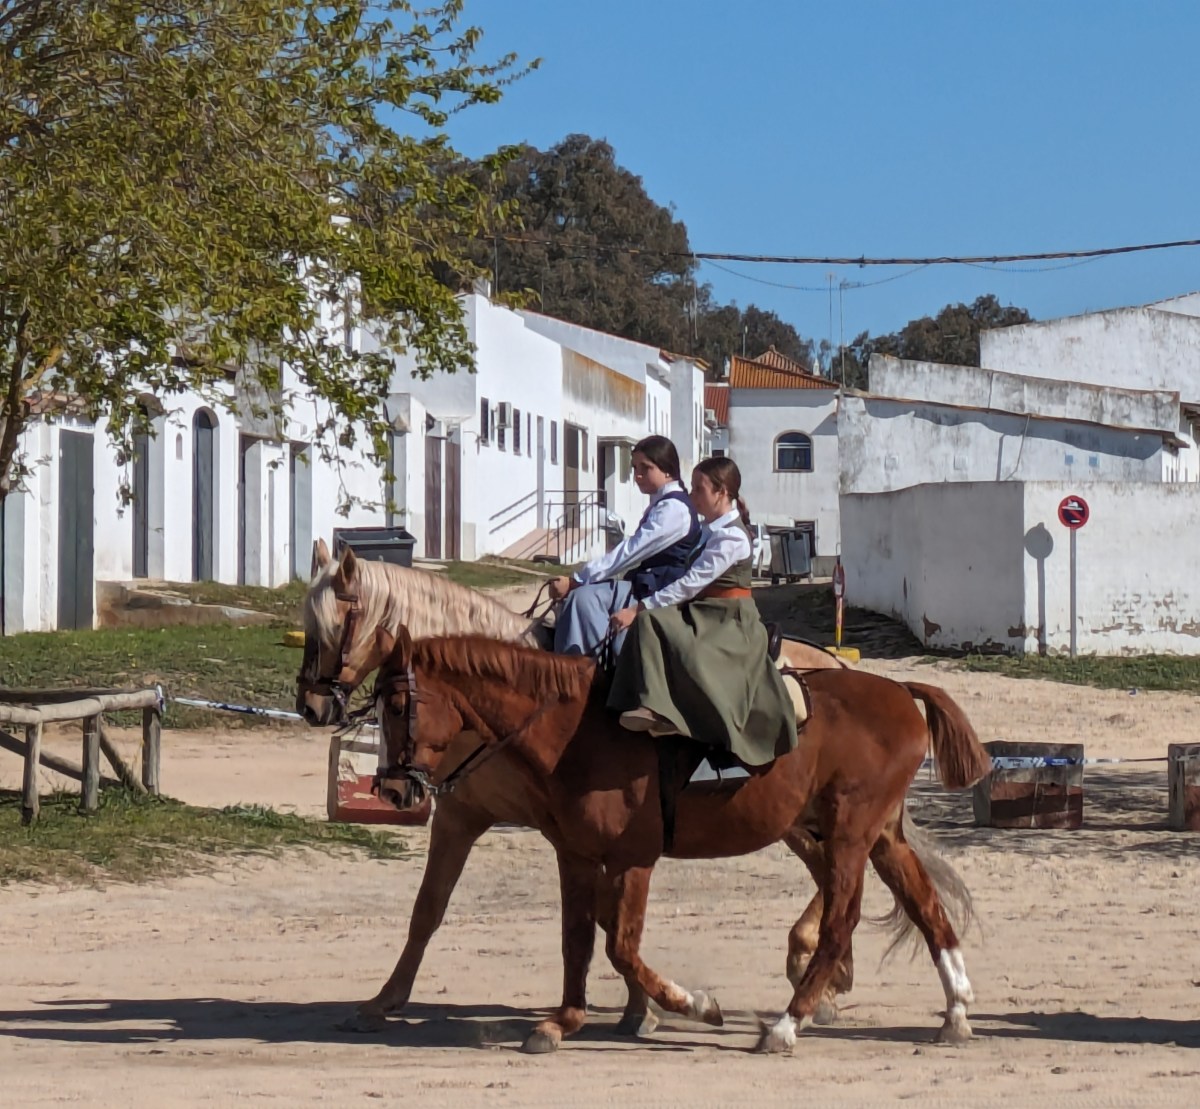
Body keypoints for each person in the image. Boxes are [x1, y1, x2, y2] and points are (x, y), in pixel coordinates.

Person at [605, 457, 796, 767]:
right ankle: (647, 703)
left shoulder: (731, 537)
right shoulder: (711, 530)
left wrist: (637, 608)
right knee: (655, 624)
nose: (692, 496)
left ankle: (663, 711)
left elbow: (690, 584)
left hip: (729, 620)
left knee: (652, 623)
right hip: (706, 611)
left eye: (698, 489)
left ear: (721, 492)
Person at [548, 435, 702, 656]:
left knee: (583, 598)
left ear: (667, 470)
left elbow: (631, 551)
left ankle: (597, 670)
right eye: (634, 468)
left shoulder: (674, 510)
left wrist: (578, 580)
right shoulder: (664, 503)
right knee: (585, 598)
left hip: (660, 588)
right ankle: (584, 665)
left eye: (645, 468)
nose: (637, 475)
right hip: (646, 582)